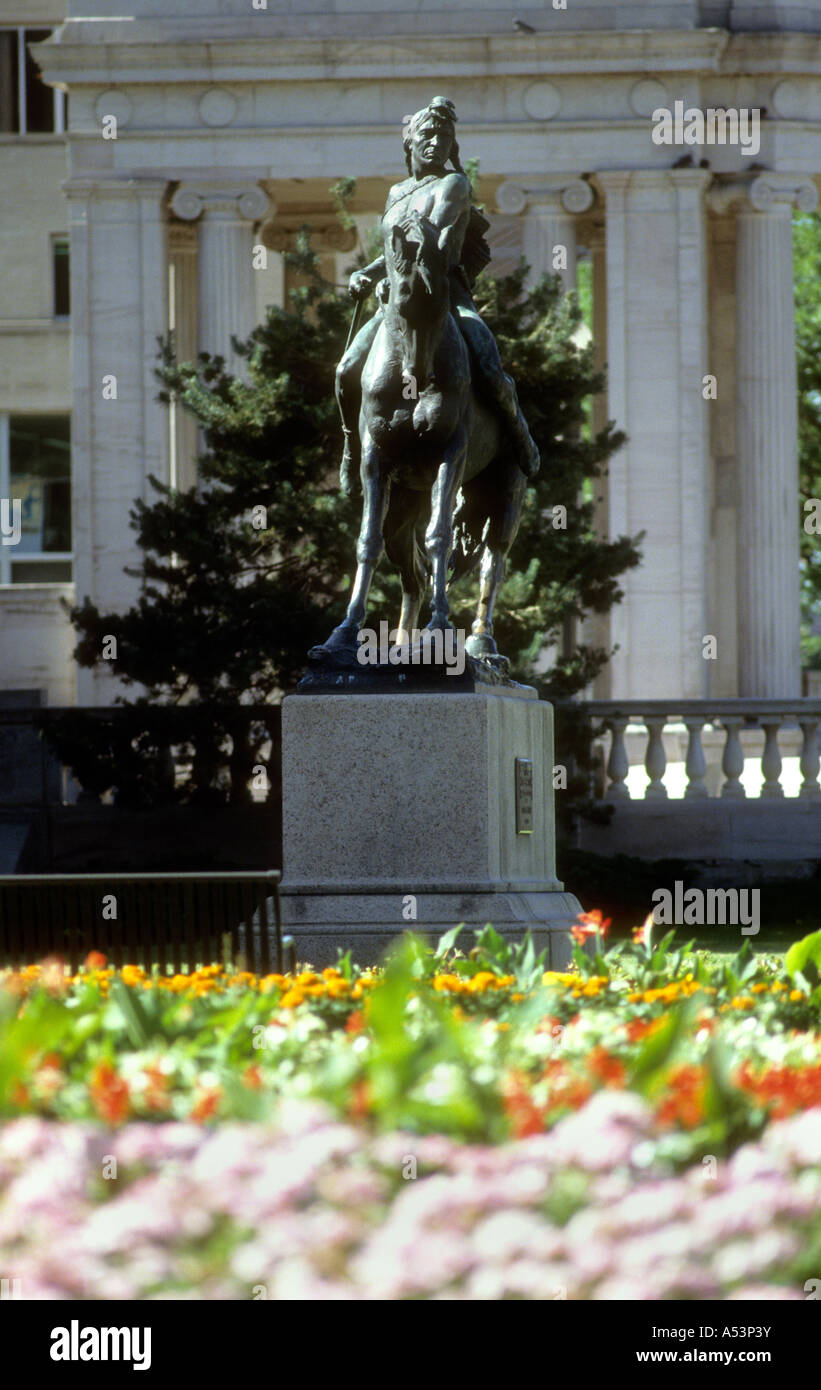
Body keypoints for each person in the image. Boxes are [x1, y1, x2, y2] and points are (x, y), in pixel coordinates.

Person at [335, 95, 540, 496]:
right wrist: (366, 272)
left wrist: (399, 267)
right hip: (398, 300)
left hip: (446, 294)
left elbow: (430, 240)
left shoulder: (454, 184)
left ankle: (519, 435)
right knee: (345, 370)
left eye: (444, 136)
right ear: (409, 143)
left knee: (486, 358)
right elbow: (393, 252)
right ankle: (350, 448)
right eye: (427, 134)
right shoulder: (397, 193)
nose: (435, 143)